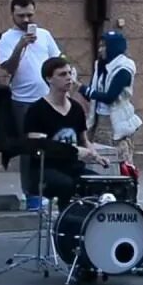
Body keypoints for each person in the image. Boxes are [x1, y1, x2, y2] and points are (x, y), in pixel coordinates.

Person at [0, 0, 62, 199]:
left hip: (48, 99)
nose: (26, 20)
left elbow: (57, 59)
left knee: (51, 144)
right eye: (21, 15)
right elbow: (8, 67)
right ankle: (30, 191)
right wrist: (20, 46)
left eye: (29, 15)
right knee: (29, 147)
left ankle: (50, 187)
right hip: (23, 101)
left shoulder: (44, 35)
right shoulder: (6, 38)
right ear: (12, 15)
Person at [23, 56, 105, 209]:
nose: (69, 78)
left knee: (100, 184)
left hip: (73, 167)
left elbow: (84, 140)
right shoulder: (37, 110)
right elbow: (37, 146)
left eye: (69, 73)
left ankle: (88, 224)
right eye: (62, 74)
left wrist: (95, 154)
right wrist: (73, 151)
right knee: (66, 185)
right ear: (49, 79)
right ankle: (64, 223)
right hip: (45, 169)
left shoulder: (76, 108)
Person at [84, 30, 140, 165]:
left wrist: (83, 89)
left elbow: (110, 97)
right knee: (100, 160)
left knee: (121, 162)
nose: (100, 50)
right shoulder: (100, 65)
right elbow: (93, 94)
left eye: (104, 46)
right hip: (99, 120)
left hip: (117, 121)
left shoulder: (124, 68)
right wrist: (83, 90)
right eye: (100, 45)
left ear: (114, 48)